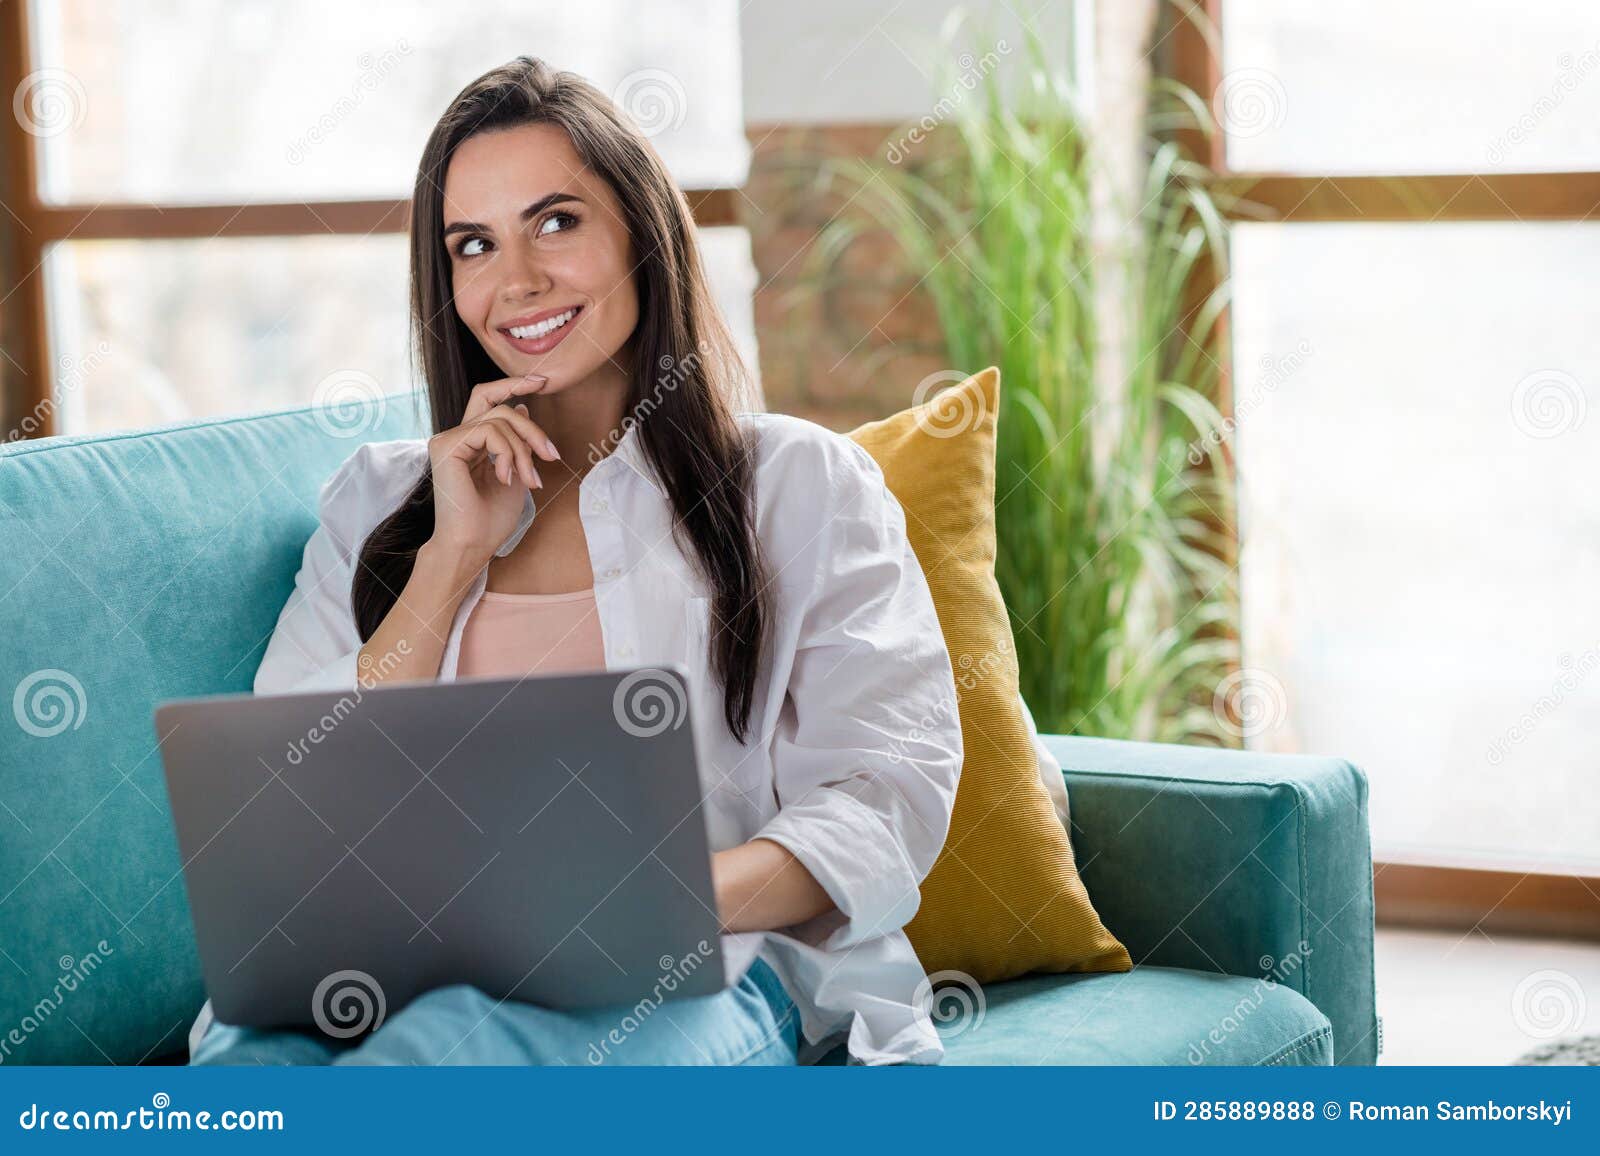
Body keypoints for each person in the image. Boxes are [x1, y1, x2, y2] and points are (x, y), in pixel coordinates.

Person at [188, 56, 962, 1067]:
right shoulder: (377, 501)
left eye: (557, 221)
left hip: (707, 972)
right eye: (474, 244)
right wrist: (450, 558)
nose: (517, 281)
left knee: (443, 1058)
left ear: (642, 233)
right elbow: (294, 789)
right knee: (249, 1070)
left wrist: (658, 897)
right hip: (386, 975)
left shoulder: (798, 484)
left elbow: (885, 788)